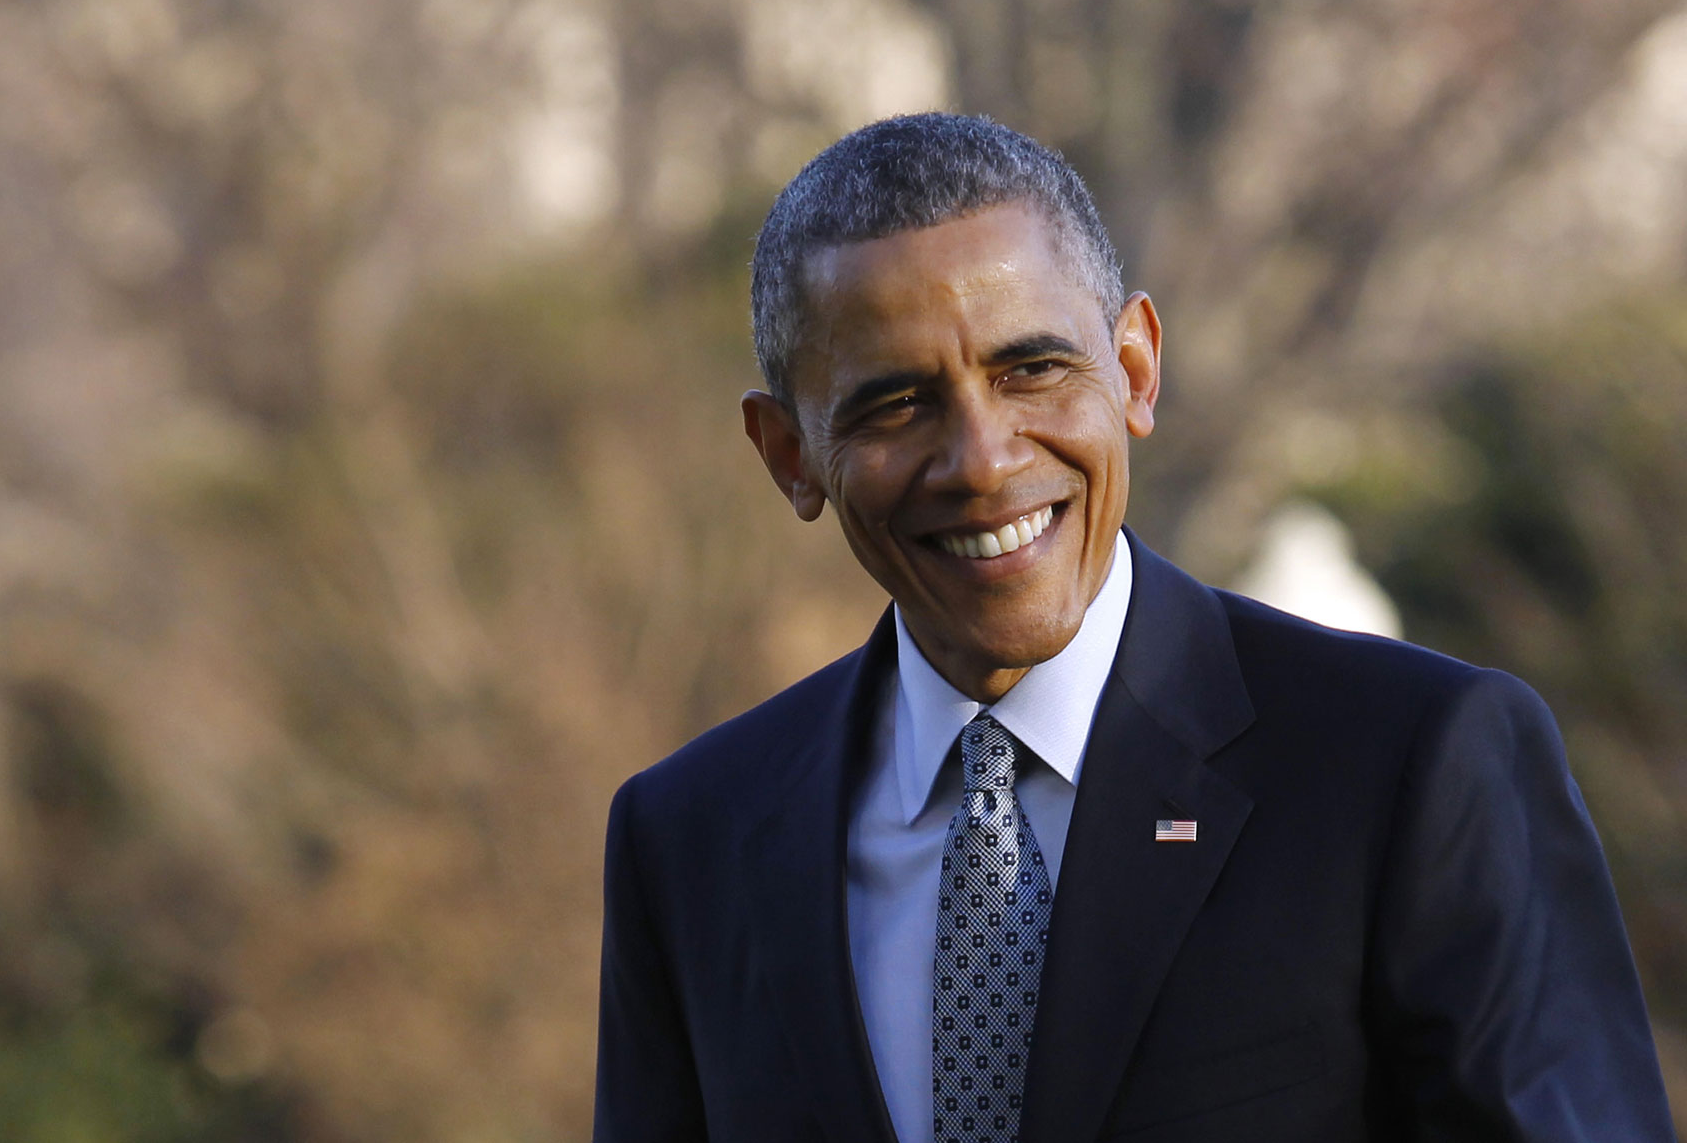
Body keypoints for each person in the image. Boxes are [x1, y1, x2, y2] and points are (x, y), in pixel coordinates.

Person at [590, 113, 1676, 1142]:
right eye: (894, 405)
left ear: (1135, 368)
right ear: (786, 455)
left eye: (1030, 369)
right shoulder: (690, 840)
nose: (982, 460)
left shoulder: (1407, 767)